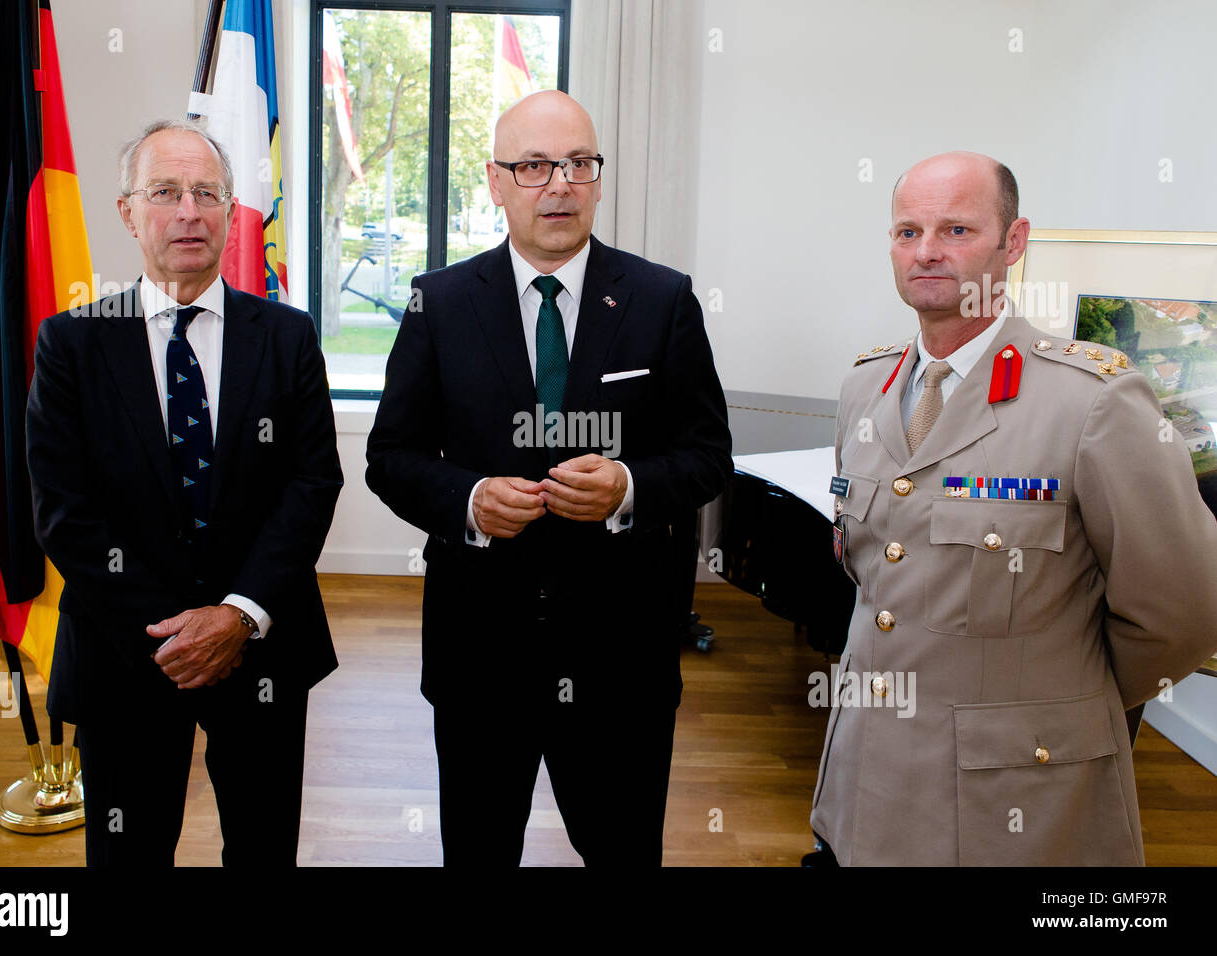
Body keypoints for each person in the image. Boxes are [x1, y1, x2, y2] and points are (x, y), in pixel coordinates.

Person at [810, 150, 1217, 865]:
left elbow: (1182, 613)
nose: (927, 252)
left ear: (1015, 242)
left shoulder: (1093, 401)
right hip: (866, 786)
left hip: (1018, 804)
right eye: (907, 232)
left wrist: (1065, 694)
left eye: (957, 230)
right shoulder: (864, 389)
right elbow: (876, 578)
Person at [365, 90, 731, 866]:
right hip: (479, 654)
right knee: (478, 851)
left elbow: (708, 456)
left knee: (624, 850)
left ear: (598, 179)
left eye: (577, 164)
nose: (558, 183)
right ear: (496, 183)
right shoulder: (440, 302)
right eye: (534, 166)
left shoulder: (663, 300)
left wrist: (628, 487)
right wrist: (467, 501)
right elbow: (389, 458)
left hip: (620, 655)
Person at [25, 119, 343, 866]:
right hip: (126, 653)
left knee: (264, 851)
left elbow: (312, 483)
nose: (188, 212)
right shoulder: (70, 344)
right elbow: (64, 513)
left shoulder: (288, 337)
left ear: (233, 213)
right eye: (164, 192)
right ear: (127, 211)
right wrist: (175, 635)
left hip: (260, 646)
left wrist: (236, 616)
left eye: (207, 193)